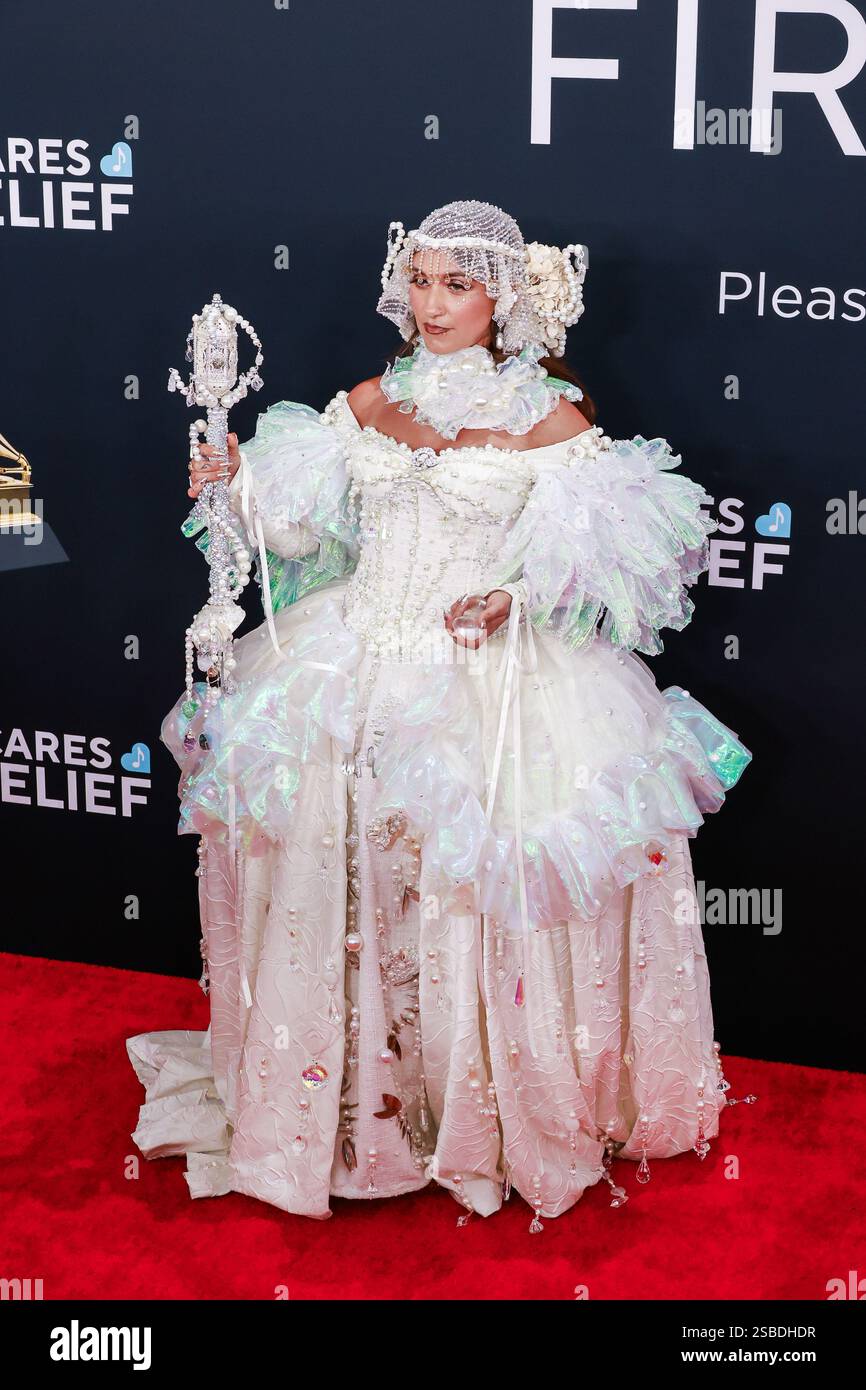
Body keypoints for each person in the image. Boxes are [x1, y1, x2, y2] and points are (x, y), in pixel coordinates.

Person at [126, 200, 752, 1230]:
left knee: (463, 886)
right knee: (347, 872)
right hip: (351, 662)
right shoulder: (368, 401)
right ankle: (350, 1104)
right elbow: (293, 534)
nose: (431, 303)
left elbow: (597, 561)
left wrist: (511, 597)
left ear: (503, 294)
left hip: (481, 678)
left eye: (455, 283)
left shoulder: (551, 415)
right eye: (418, 280)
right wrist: (231, 488)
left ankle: (467, 1116)